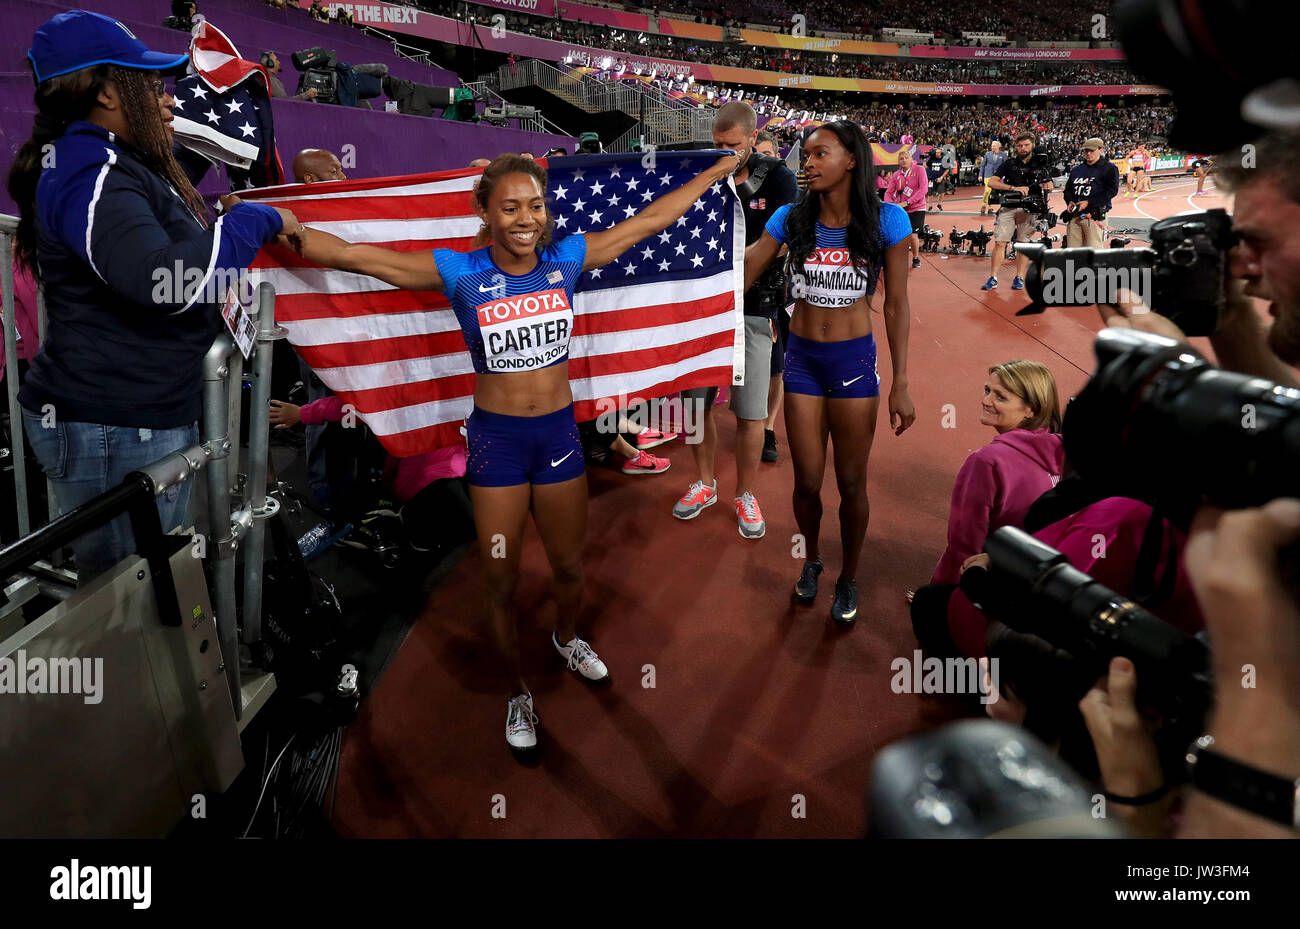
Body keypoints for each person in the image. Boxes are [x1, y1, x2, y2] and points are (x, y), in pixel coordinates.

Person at [282, 151, 741, 751]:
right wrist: (273, 222)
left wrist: (714, 175)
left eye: (535, 205)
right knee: (499, 579)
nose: (526, 218)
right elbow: (353, 257)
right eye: (510, 207)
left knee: (570, 568)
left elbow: (646, 224)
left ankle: (565, 637)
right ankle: (517, 693)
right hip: (496, 445)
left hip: (557, 441)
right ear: (484, 213)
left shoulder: (567, 258)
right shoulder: (458, 272)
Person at [9, 11, 294, 583]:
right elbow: (167, 282)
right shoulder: (90, 170)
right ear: (109, 93)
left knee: (150, 591)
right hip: (115, 424)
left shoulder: (103, 161)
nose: (168, 101)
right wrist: (255, 222)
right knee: (130, 603)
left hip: (130, 417)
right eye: (151, 85)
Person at [744, 120, 916, 624]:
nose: (808, 163)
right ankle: (814, 559)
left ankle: (849, 576)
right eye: (807, 155)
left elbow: (898, 306)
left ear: (852, 160)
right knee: (806, 481)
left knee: (852, 482)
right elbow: (743, 271)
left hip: (853, 363)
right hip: (801, 363)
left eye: (821, 154)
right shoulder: (789, 218)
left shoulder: (888, 221)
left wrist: (901, 383)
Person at [674, 102, 798, 538]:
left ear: (751, 137)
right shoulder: (701, 173)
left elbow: (784, 241)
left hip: (754, 308)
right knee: (694, 406)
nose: (723, 151)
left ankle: (745, 494)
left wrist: (734, 272)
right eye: (717, 144)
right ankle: (705, 483)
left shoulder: (779, 177)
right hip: (703, 310)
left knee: (750, 414)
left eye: (732, 145)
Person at [929, 361, 1063, 585]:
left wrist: (942, 595)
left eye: (1001, 397)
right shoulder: (1065, 452)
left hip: (990, 586)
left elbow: (964, 545)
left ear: (1031, 409)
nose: (985, 400)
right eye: (987, 390)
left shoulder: (986, 462)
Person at [982, 132, 1054, 291]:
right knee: (1000, 242)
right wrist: (1013, 188)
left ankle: (1019, 277)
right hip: (1009, 206)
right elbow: (993, 182)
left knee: (1023, 244)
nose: (1022, 148)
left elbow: (1050, 184)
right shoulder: (1009, 163)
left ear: (1033, 145)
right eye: (1019, 145)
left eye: (1026, 145)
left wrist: (1048, 185)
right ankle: (993, 277)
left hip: (1030, 208)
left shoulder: (1041, 164)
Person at [1062, 138, 1119, 249]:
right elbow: (1068, 190)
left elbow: (1112, 191)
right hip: (1075, 216)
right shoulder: (1077, 170)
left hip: (1094, 217)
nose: (1088, 153)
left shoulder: (1109, 168)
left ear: (1101, 150)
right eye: (1086, 151)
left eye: (1092, 151)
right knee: (1072, 251)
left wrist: (1089, 202)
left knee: (1094, 253)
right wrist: (1069, 201)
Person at [883, 147, 926, 270]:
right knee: (897, 236)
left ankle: (916, 257)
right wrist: (889, 204)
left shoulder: (920, 170)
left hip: (917, 208)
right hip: (901, 209)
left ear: (911, 159)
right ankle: (896, 259)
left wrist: (907, 202)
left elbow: (923, 189)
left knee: (913, 235)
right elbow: (889, 192)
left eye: (906, 158)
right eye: (901, 159)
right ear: (898, 162)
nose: (904, 160)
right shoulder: (896, 175)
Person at [977, 139, 1006, 216]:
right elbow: (983, 165)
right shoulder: (987, 154)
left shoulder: (1003, 155)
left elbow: (1006, 166)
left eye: (994, 146)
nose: (992, 147)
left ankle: (990, 208)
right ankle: (983, 205)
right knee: (987, 191)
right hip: (988, 175)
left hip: (998, 176)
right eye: (992, 146)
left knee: (994, 193)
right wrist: (980, 175)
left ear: (998, 147)